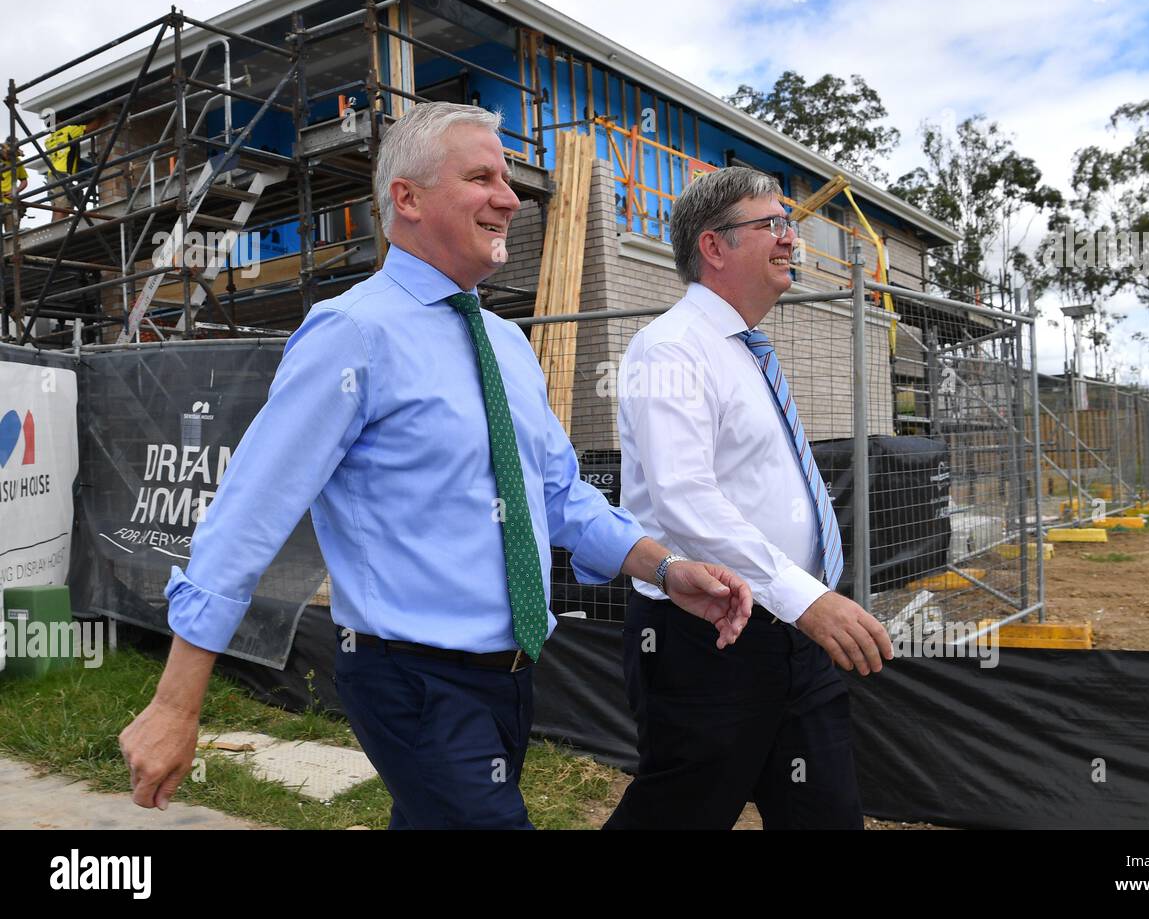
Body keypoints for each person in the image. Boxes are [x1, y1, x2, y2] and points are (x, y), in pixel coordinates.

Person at [119, 102, 752, 830]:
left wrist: (664, 566)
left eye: (508, 179)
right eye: (481, 176)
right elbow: (249, 513)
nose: (510, 198)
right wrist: (175, 701)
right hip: (411, 682)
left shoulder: (508, 344)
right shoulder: (351, 334)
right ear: (408, 199)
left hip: (511, 677)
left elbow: (560, 494)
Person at [604, 166, 894, 830]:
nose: (791, 239)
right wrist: (806, 595)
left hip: (794, 638)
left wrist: (803, 600)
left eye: (788, 224)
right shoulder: (672, 349)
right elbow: (684, 499)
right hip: (709, 640)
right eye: (774, 225)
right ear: (714, 246)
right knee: (680, 813)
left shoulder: (744, 352)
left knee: (825, 814)